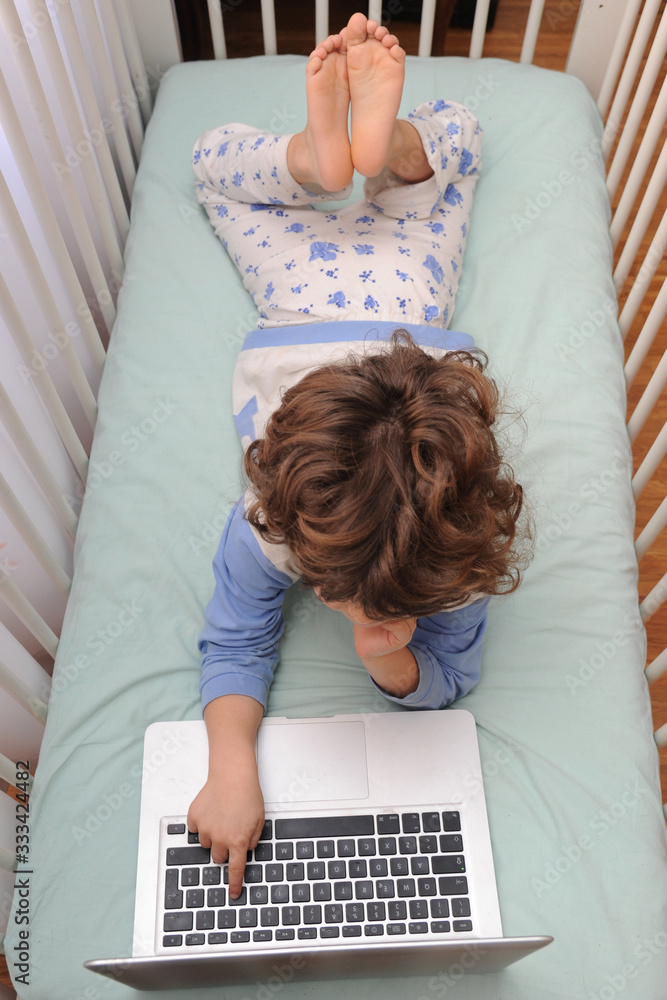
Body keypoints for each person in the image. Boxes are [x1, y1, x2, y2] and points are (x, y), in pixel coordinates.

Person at [187, 12, 526, 901]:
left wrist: (388, 655)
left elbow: (236, 635)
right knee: (437, 162)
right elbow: (241, 634)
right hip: (334, 316)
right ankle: (369, 151)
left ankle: (325, 161)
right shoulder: (284, 528)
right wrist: (230, 769)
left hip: (374, 315)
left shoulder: (421, 556)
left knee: (229, 172)